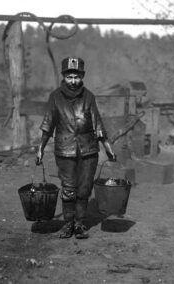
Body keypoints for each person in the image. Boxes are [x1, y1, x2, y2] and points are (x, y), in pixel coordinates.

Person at [36, 57, 116, 239]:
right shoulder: (55, 97)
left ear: (82, 77)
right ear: (64, 77)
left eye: (77, 77)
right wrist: (40, 147)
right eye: (70, 76)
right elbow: (48, 124)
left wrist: (107, 146)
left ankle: (79, 224)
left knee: (84, 189)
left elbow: (98, 124)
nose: (73, 81)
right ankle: (67, 224)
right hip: (65, 150)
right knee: (68, 188)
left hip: (89, 150)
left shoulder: (89, 96)